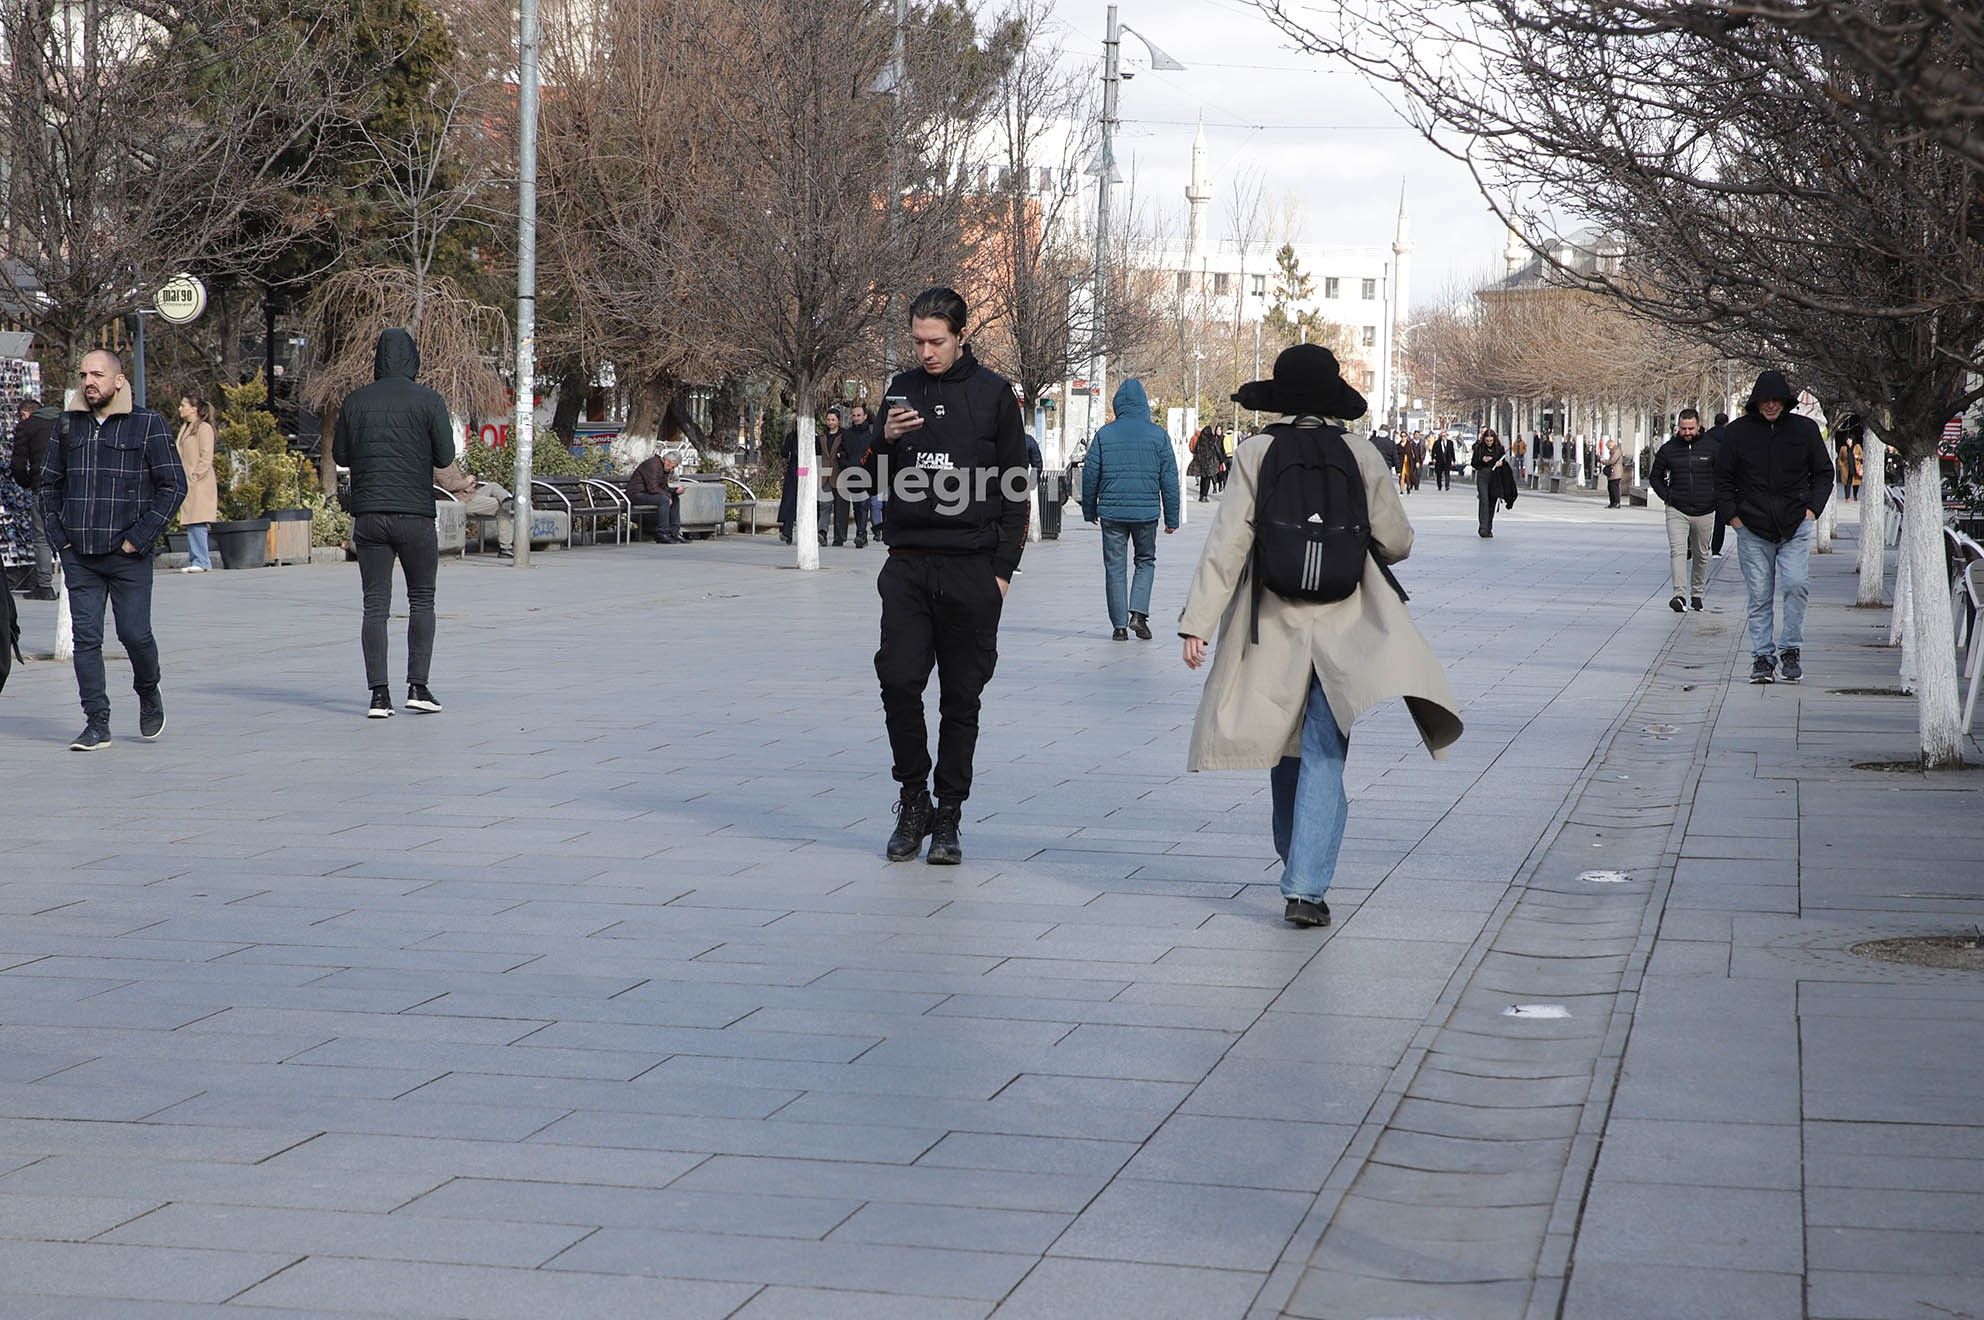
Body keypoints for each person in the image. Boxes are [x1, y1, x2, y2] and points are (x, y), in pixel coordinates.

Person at [1178, 344, 1461, 928]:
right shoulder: (1360, 455)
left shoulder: (1256, 452)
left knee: (1283, 749)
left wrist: (1196, 623)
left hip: (1272, 625)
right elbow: (1399, 541)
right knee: (1326, 750)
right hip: (1344, 627)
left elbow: (1227, 544)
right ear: (1334, 399)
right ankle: (1305, 886)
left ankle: (1295, 858)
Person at [870, 287, 1029, 867]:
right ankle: (913, 799)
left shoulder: (993, 396)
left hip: (971, 570)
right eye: (918, 341)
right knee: (898, 681)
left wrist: (1002, 574)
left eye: (936, 341)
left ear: (961, 336)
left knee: (961, 699)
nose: (927, 352)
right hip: (908, 563)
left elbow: (1017, 485)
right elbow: (871, 477)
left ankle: (950, 814)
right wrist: (882, 440)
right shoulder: (901, 389)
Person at [37, 350, 186, 750]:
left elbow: (174, 486)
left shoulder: (147, 424)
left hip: (128, 556)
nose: (90, 381)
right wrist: (61, 540)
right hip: (79, 554)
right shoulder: (69, 426)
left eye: (98, 374)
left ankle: (148, 689)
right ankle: (96, 721)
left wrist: (138, 538)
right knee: (86, 640)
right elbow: (48, 485)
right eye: (84, 374)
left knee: (135, 635)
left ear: (118, 380)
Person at [332, 327, 455, 719]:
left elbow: (341, 454)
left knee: (375, 606)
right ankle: (418, 686)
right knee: (421, 599)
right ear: (413, 358)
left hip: (369, 517)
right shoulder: (429, 401)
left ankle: (379, 696)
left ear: (379, 359)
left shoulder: (355, 402)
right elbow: (445, 455)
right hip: (415, 515)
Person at [1715, 371, 1833, 684]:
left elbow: (1824, 473)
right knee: (1759, 594)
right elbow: (1722, 478)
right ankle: (1762, 658)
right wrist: (1734, 519)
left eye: (1776, 399)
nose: (1770, 405)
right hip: (1751, 526)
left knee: (1796, 584)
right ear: (1755, 401)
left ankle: (1791, 650)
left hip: (1795, 524)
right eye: (1764, 400)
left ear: (1785, 401)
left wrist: (1812, 511)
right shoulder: (1737, 433)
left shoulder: (1805, 430)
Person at [1081, 379, 1181, 642]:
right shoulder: (1158, 435)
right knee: (1145, 561)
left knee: (1114, 567)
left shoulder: (1104, 434)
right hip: (1146, 514)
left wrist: (1089, 509)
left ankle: (1119, 627)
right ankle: (1138, 614)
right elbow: (1169, 478)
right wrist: (1172, 517)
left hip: (1112, 513)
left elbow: (1091, 474)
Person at [1649, 408, 1717, 613]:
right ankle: (1679, 595)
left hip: (1705, 509)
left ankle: (1697, 594)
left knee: (1701, 554)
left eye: (1691, 428)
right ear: (1678, 427)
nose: (1687, 432)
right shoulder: (1669, 449)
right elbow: (1655, 476)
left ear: (1699, 426)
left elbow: (1725, 475)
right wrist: (1667, 496)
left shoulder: (1713, 448)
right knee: (1678, 551)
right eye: (1683, 428)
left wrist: (1716, 498)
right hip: (1677, 509)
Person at [9, 397, 60, 598]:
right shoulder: (67, 420)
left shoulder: (27, 426)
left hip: (43, 487)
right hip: (71, 488)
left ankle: (45, 586)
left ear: (25, 413)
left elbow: (18, 465)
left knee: (41, 538)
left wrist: (28, 482)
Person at [173, 394, 218, 573]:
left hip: (199, 482)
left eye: (183, 405)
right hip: (188, 481)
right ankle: (196, 558)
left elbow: (206, 455)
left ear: (193, 409)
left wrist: (195, 475)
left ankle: (201, 560)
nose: (180, 408)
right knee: (191, 521)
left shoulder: (203, 428)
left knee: (197, 520)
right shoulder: (186, 428)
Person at [436, 462, 517, 555]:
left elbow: (457, 485)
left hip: (468, 494)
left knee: (493, 486)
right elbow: (449, 485)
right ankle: (505, 547)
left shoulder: (448, 462)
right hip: (462, 501)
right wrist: (467, 481)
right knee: (500, 506)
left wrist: (469, 485)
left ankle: (507, 500)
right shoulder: (439, 465)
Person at [832, 406, 874, 547]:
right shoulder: (847, 434)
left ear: (865, 416)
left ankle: (861, 534)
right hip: (850, 473)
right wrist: (846, 465)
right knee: (856, 507)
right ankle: (861, 534)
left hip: (866, 474)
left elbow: (877, 452)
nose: (856, 418)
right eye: (854, 415)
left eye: (858, 415)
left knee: (863, 505)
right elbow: (841, 453)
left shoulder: (872, 433)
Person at [626, 449, 685, 544]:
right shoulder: (652, 465)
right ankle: (662, 534)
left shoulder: (663, 468)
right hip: (636, 494)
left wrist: (675, 491)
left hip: (646, 494)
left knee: (675, 499)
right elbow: (652, 488)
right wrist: (667, 496)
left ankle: (674, 532)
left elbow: (663, 488)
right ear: (667, 461)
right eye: (673, 467)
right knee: (664, 500)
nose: (672, 469)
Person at [1472, 427, 1511, 537]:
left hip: (1495, 477)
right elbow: (1474, 463)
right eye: (1487, 440)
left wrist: (1501, 464)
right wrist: (1482, 460)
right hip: (1483, 476)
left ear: (1494, 440)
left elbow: (1504, 463)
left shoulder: (1499, 449)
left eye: (1491, 440)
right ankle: (1483, 528)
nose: (1489, 443)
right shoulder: (1479, 448)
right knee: (1484, 500)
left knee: (1492, 502)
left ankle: (1489, 527)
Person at [1706, 412, 1731, 556]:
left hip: (1707, 480)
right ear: (1726, 422)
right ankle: (1716, 549)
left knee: (1701, 517)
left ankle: (1696, 544)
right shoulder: (1728, 436)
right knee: (1720, 518)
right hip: (1721, 481)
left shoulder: (1707, 435)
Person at [1190, 424, 1225, 502]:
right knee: (1207, 479)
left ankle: (1201, 495)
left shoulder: (1200, 441)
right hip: (1210, 463)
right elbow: (1218, 451)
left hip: (1201, 463)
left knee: (1203, 479)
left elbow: (1196, 450)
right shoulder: (1212, 440)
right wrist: (1222, 461)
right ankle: (1204, 496)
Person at [1603, 438, 1626, 507]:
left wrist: (1604, 461)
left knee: (1614, 488)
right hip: (1613, 473)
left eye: (1608, 447)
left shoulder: (1616, 451)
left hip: (1616, 472)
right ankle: (1612, 502)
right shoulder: (1613, 451)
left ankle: (1617, 502)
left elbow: (1612, 461)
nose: (1607, 449)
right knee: (1610, 487)